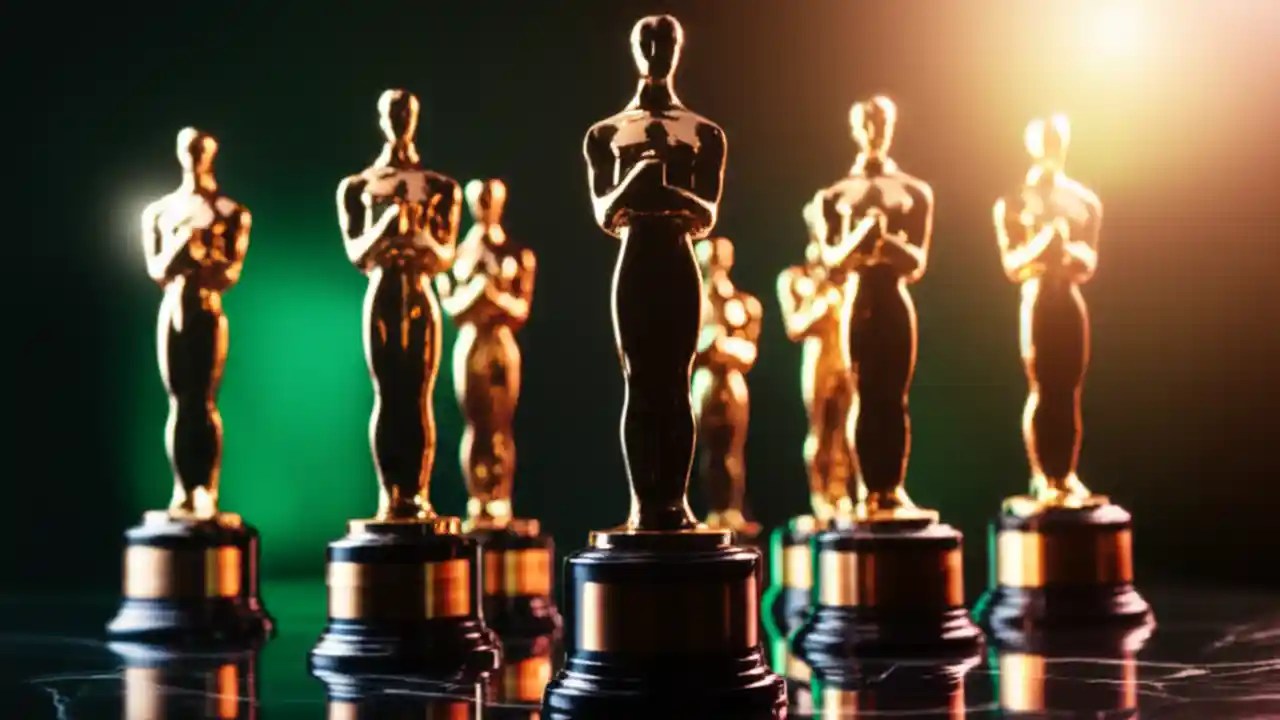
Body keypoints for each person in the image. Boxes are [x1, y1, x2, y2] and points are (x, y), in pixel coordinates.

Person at [582, 15, 727, 531]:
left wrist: (652, 191)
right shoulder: (605, 134)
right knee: (639, 382)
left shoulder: (703, 132)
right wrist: (643, 186)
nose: (654, 49)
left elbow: (706, 214)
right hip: (636, 258)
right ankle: (645, 504)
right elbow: (605, 212)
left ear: (677, 49)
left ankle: (675, 503)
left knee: (676, 383)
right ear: (634, 48)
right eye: (646, 41)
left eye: (663, 41)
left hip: (676, 259)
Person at [336, 89, 462, 521]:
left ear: (415, 118)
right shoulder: (359, 187)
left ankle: (417, 493)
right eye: (393, 112)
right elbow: (357, 253)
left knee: (420, 394)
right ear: (382, 119)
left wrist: (412, 235)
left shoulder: (439, 187)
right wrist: (390, 225)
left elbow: (445, 255)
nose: (400, 119)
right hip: (383, 289)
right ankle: (391, 496)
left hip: (421, 290)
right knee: (388, 393)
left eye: (406, 112)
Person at [811, 95, 934, 520]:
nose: (875, 130)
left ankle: (892, 489)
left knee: (894, 397)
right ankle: (869, 490)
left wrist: (884, 244)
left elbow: (917, 260)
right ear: (856, 129)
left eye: (881, 122)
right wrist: (863, 237)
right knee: (864, 395)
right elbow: (831, 260)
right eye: (868, 122)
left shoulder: (915, 192)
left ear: (892, 126)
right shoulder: (836, 195)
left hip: (895, 297)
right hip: (859, 299)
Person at [141, 128, 251, 520]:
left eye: (200, 150)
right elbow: (157, 267)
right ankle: (183, 490)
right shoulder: (159, 211)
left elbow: (230, 271)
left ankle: (206, 489)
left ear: (210, 155)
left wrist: (198, 253)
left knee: (203, 402)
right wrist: (183, 246)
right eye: (188, 150)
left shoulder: (229, 212)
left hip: (207, 306)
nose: (194, 157)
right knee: (180, 402)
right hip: (174, 307)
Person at [993, 114, 1103, 507]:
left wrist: (1066, 249)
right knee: (1043, 387)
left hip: (1069, 298)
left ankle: (1066, 474)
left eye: (1057, 141)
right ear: (1032, 145)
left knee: (1069, 389)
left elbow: (1089, 261)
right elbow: (1011, 264)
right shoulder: (1014, 201)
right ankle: (1044, 475)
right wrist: (1043, 244)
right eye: (1045, 141)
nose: (1052, 148)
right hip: (1037, 296)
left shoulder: (1084, 200)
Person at [437, 179, 536, 529]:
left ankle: (501, 500)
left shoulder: (515, 255)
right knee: (476, 426)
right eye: (480, 200)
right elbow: (452, 308)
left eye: (490, 200)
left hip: (500, 343)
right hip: (471, 343)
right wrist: (484, 295)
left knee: (501, 427)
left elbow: (520, 309)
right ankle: (478, 500)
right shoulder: (455, 257)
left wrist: (486, 295)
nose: (485, 206)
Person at [693, 237, 762, 536]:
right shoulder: (692, 305)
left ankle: (731, 510)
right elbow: (686, 350)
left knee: (733, 450)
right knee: (708, 452)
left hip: (732, 382)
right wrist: (709, 346)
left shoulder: (744, 304)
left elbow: (749, 353)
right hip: (704, 383)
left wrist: (722, 348)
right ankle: (713, 511)